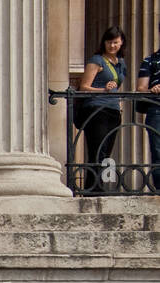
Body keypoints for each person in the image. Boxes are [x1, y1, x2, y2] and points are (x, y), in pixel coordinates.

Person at [80, 27, 127, 194]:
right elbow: (84, 87)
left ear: (121, 43)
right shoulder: (97, 60)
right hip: (96, 109)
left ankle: (101, 187)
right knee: (97, 149)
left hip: (113, 110)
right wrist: (103, 90)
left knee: (107, 151)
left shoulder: (121, 63)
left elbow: (117, 85)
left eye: (115, 42)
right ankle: (93, 189)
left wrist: (118, 101)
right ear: (104, 43)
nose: (112, 45)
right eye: (109, 42)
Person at [137, 30, 160, 192]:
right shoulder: (150, 59)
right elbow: (141, 87)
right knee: (157, 150)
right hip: (156, 110)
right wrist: (152, 89)